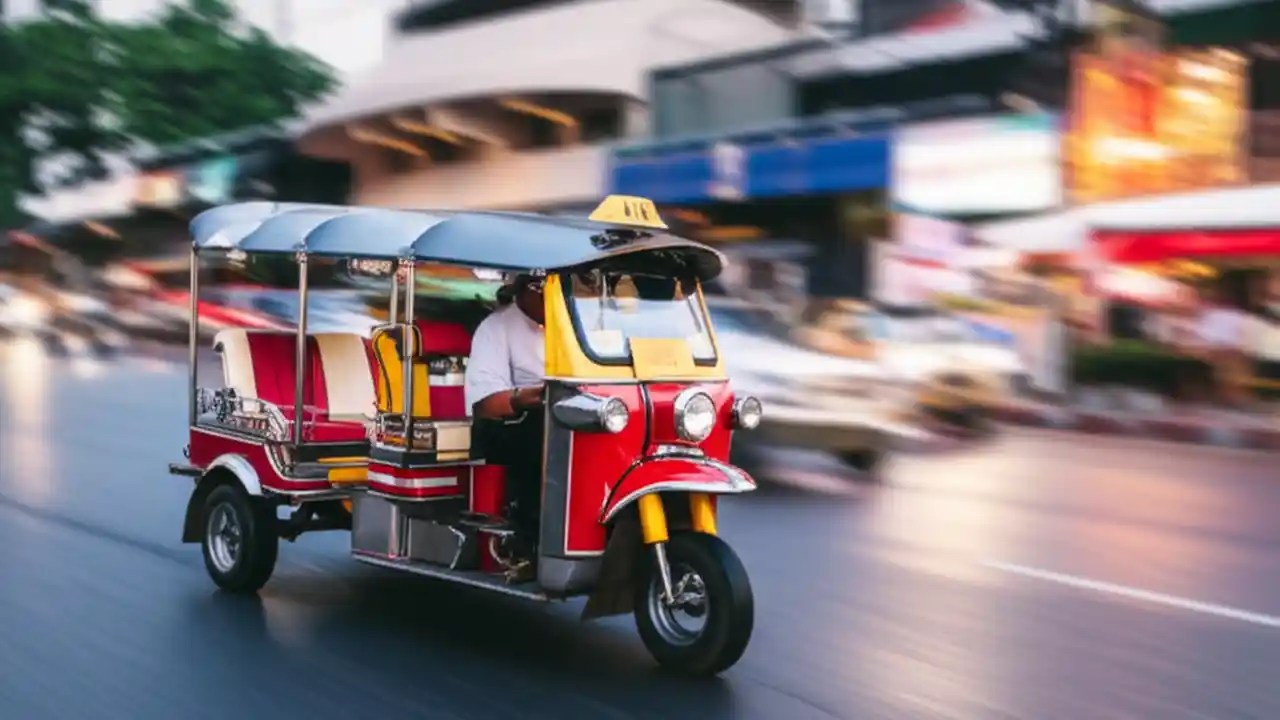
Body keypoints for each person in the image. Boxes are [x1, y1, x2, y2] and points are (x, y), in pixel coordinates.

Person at [465, 273, 547, 541]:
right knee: (543, 432)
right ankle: (530, 538)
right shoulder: (496, 327)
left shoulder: (579, 327)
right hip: (506, 428)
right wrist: (523, 397)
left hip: (561, 418)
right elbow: (486, 405)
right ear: (526, 290)